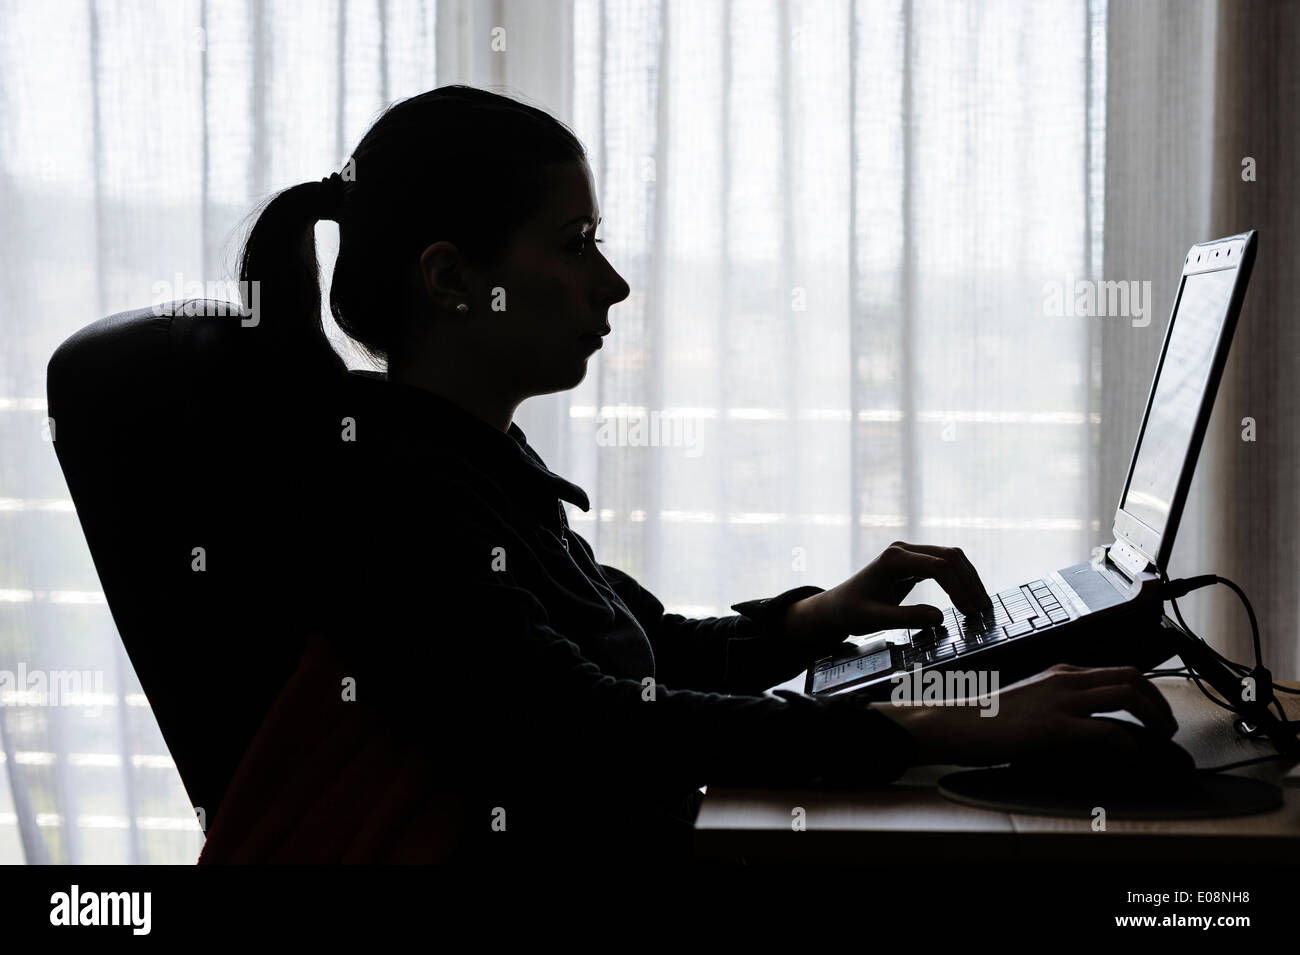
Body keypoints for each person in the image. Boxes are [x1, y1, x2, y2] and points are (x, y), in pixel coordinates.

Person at [232, 85, 1177, 861]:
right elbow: (589, 729)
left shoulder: (468, 466)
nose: (613, 284)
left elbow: (641, 655)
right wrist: (940, 723)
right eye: (574, 244)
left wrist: (817, 619)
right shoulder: (392, 498)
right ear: (451, 281)